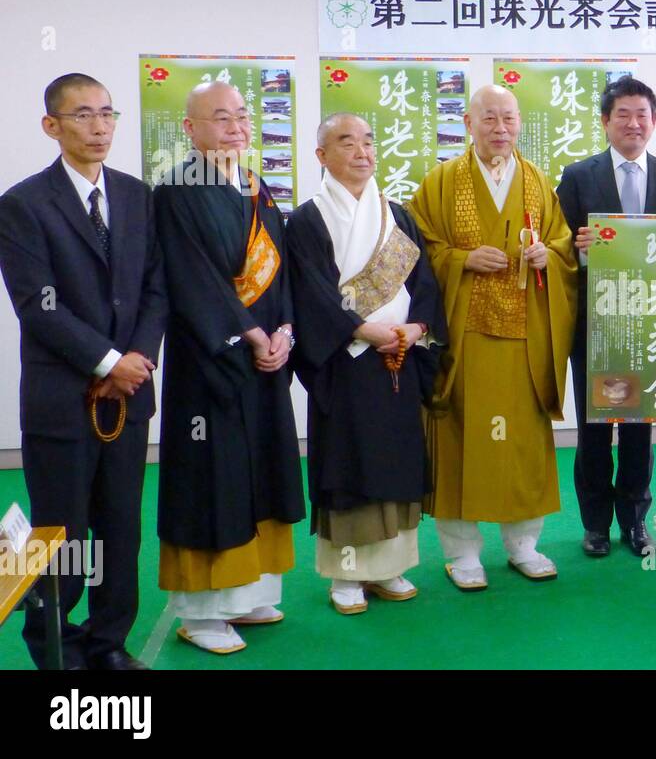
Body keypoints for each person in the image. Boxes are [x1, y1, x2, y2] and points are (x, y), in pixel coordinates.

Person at [0, 74, 166, 669]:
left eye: (107, 114)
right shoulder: (22, 205)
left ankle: (108, 643)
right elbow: (38, 304)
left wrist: (136, 362)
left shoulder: (136, 196)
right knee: (62, 537)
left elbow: (155, 288)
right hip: (62, 399)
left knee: (121, 531)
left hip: (128, 397)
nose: (99, 127)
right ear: (52, 126)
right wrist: (106, 361)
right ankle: (56, 648)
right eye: (82, 116)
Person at [153, 81, 304, 653]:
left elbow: (283, 268)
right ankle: (203, 610)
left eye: (242, 116)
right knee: (211, 479)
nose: (237, 127)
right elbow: (192, 278)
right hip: (210, 361)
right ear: (190, 129)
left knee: (263, 470)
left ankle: (252, 591)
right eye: (221, 118)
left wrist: (285, 331)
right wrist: (248, 332)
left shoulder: (256, 186)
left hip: (266, 361)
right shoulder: (174, 192)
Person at [408, 85, 578, 591]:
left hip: (527, 335)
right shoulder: (441, 182)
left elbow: (564, 244)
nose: (499, 129)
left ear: (520, 123)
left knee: (521, 442)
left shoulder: (538, 181)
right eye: (489, 119)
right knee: (463, 438)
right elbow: (420, 249)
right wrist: (461, 260)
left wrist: (550, 254)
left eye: (508, 119)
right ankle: (462, 554)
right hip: (466, 336)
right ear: (468, 122)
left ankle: (524, 544)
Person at [286, 113, 448, 614]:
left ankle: (391, 568)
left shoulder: (396, 215)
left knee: (397, 459)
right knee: (349, 461)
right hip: (347, 362)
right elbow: (310, 293)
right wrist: (363, 330)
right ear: (321, 156)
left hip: (398, 357)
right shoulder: (307, 219)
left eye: (368, 142)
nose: (361, 152)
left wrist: (414, 329)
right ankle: (348, 575)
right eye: (346, 142)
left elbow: (424, 285)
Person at [559, 76, 656, 557]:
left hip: (652, 326)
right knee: (595, 429)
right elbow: (558, 249)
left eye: (642, 115)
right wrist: (577, 248)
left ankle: (635, 521)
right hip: (596, 326)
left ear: (654, 121)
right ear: (605, 122)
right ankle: (595, 524)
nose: (634, 124)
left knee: (640, 427)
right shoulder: (577, 177)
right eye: (623, 115)